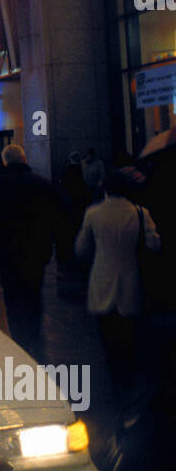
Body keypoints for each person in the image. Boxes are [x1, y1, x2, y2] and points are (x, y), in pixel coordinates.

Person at [74, 169, 161, 421]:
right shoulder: (139, 212)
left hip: (101, 280)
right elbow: (154, 244)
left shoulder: (93, 213)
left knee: (108, 337)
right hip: (131, 281)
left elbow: (81, 248)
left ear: (105, 189)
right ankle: (128, 383)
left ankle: (115, 383)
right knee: (130, 336)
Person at [0, 143, 66, 361]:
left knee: (13, 298)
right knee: (34, 293)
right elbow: (60, 217)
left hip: (7, 253)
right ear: (24, 159)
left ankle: (20, 340)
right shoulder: (42, 185)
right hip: (37, 251)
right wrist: (60, 249)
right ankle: (35, 332)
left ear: (4, 162)